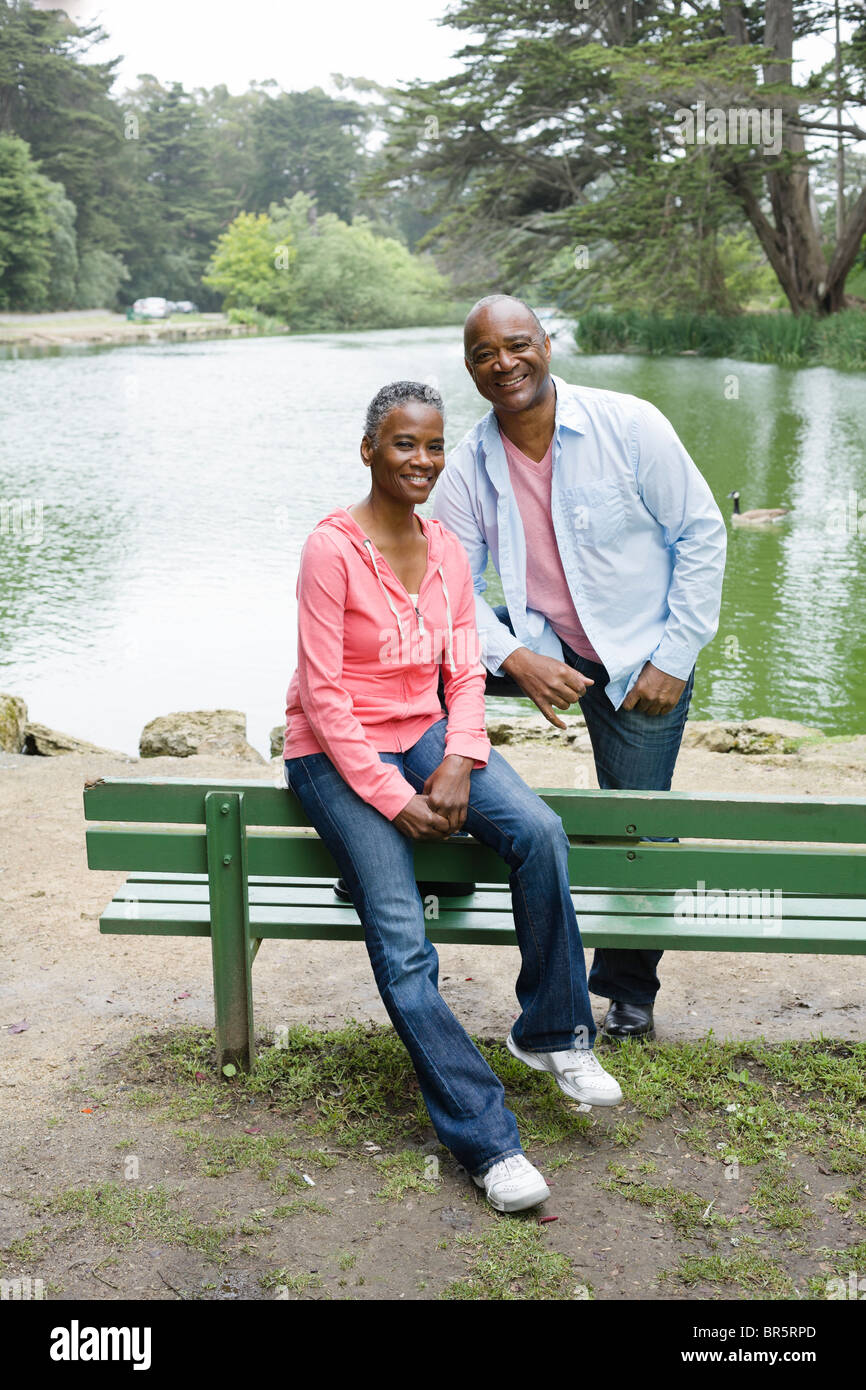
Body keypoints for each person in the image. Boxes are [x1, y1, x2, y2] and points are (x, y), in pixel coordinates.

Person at [283, 379, 622, 1214]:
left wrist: (460, 758)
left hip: (427, 732)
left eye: (434, 446)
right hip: (336, 753)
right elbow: (325, 698)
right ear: (369, 450)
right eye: (404, 444)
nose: (423, 461)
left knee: (540, 832)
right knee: (402, 944)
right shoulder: (330, 549)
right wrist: (393, 800)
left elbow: (464, 672)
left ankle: (551, 1032)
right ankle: (488, 1141)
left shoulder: (446, 549)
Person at [433, 297, 727, 1043]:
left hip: (640, 657)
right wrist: (516, 658)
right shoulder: (468, 462)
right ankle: (392, 849)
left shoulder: (628, 425)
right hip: (540, 641)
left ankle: (628, 993)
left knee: (639, 826)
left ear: (549, 345)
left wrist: (674, 655)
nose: (504, 363)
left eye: (518, 344)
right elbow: (453, 587)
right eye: (484, 355)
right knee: (418, 670)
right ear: (471, 370)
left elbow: (700, 532)